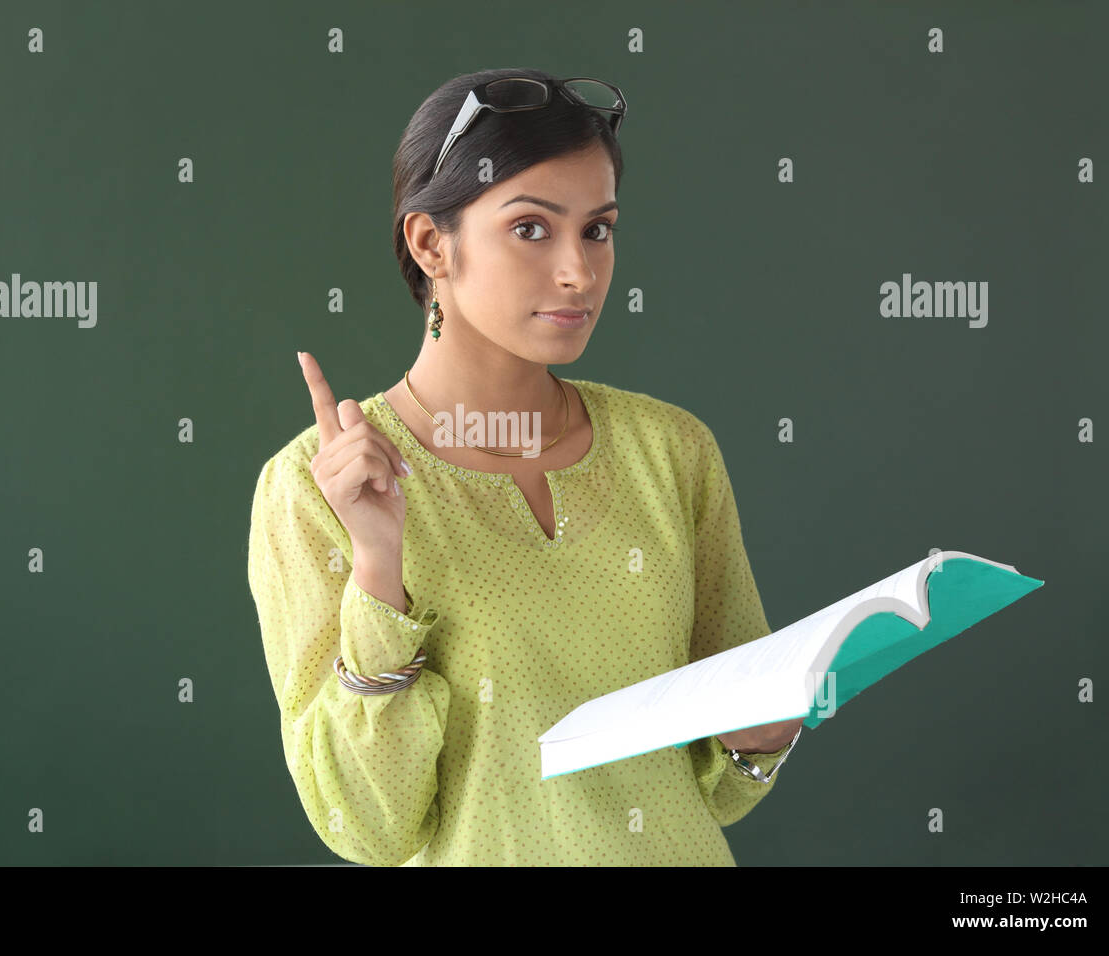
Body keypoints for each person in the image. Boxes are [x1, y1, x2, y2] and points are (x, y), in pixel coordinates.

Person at [247, 67, 803, 866]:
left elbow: (720, 786)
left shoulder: (673, 451)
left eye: (598, 229)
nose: (579, 271)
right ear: (431, 243)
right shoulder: (314, 486)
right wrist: (378, 567)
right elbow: (369, 828)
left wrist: (764, 736)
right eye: (532, 229)